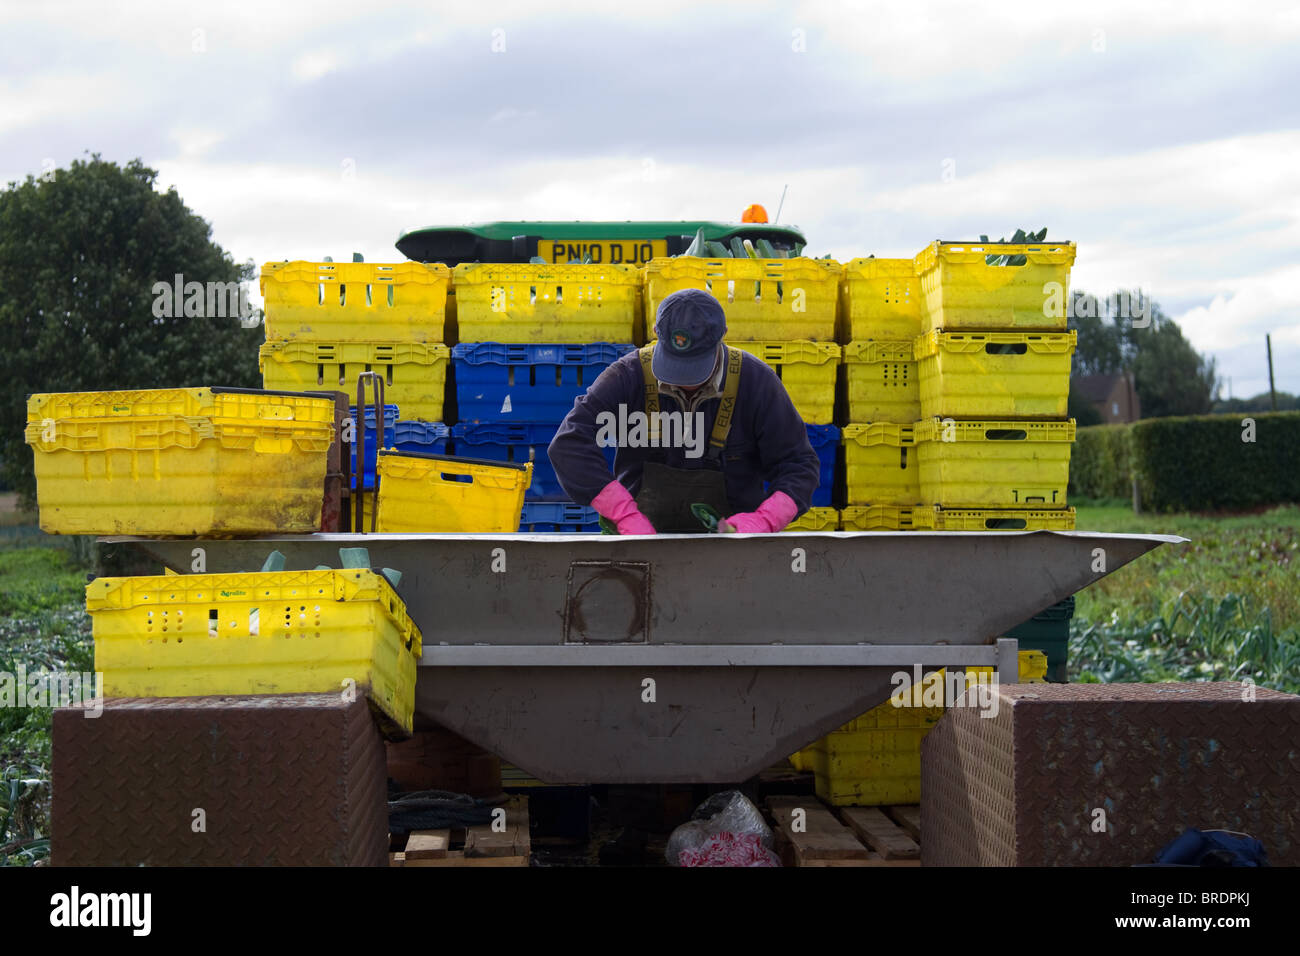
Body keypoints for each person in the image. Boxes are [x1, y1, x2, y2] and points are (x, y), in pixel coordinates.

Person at [548, 287, 821, 534]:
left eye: (695, 368)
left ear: (723, 337)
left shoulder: (757, 381)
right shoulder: (627, 376)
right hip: (637, 543)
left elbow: (798, 465)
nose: (685, 382)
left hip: (732, 551)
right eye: (676, 366)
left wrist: (765, 519)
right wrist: (623, 513)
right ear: (656, 332)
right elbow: (569, 443)